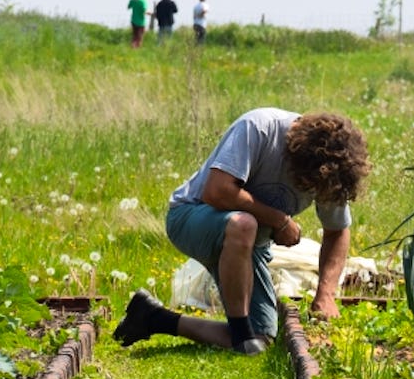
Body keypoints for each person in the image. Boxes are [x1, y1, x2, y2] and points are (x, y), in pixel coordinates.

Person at [113, 108, 371, 354]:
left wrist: (325, 294)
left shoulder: (329, 171)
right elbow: (218, 191)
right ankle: (240, 331)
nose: (309, 188)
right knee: (243, 223)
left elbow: (337, 231)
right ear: (299, 155)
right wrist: (280, 221)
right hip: (191, 217)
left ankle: (153, 318)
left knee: (262, 336)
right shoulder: (259, 128)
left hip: (246, 244)